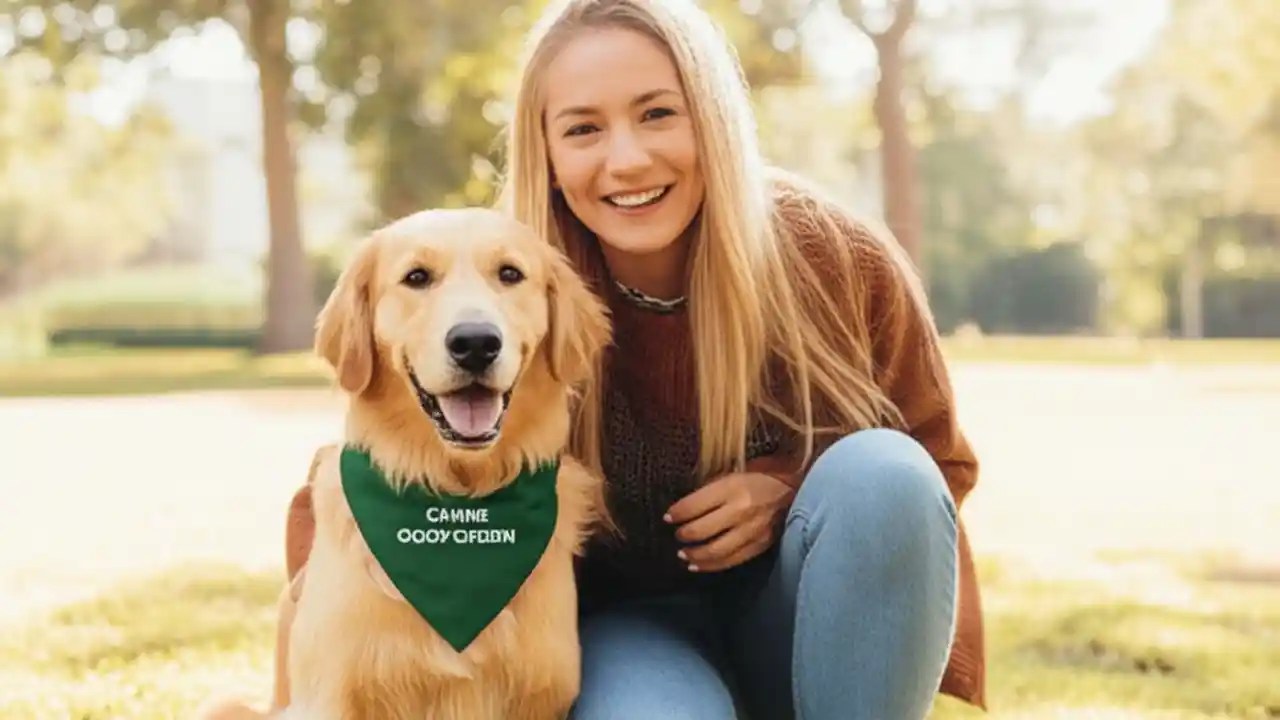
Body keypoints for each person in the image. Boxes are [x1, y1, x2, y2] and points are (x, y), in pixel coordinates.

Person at [281, 0, 986, 717]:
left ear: (711, 116)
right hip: (630, 636)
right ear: (547, 151)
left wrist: (789, 489)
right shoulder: (515, 280)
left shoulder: (834, 255)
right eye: (583, 129)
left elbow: (936, 467)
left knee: (887, 475)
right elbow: (377, 472)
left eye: (657, 114)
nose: (626, 159)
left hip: (811, 622)